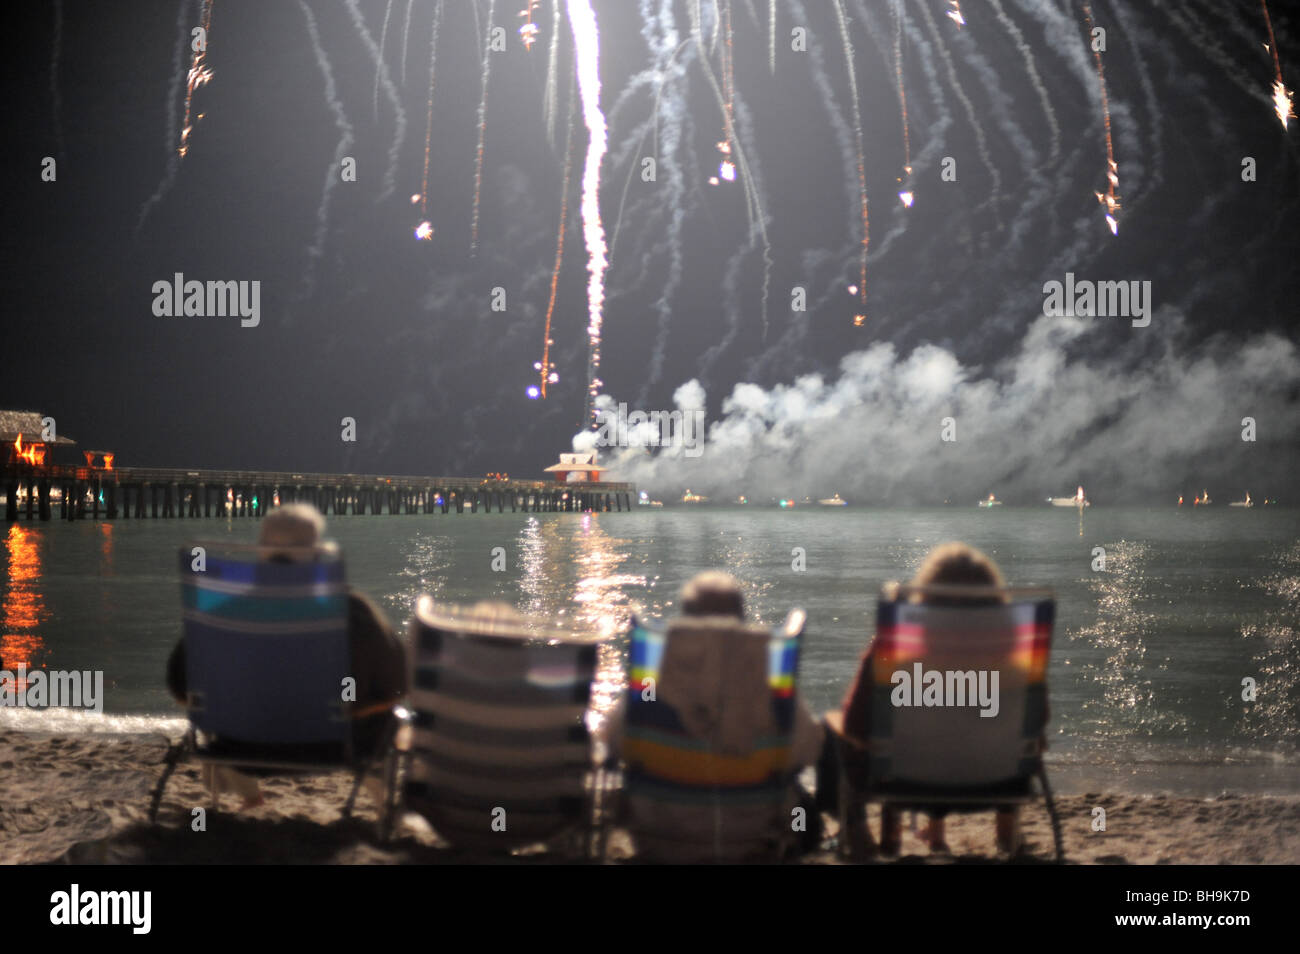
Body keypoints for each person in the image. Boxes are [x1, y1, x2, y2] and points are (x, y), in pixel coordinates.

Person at [166, 504, 405, 807]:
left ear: (260, 550)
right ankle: (384, 806)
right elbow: (397, 683)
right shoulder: (352, 611)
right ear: (318, 554)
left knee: (215, 709)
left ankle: (251, 797)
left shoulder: (222, 612)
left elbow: (179, 683)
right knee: (387, 716)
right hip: (337, 748)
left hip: (239, 749)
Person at [824, 542, 1024, 855]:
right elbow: (1034, 722)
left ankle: (875, 836)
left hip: (906, 783)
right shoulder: (1012, 654)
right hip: (996, 782)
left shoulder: (895, 647)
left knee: (834, 732)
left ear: (927, 592)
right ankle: (1007, 839)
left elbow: (855, 724)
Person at [606, 570, 825, 856]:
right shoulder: (770, 691)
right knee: (805, 813)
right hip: (749, 842)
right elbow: (809, 751)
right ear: (741, 620)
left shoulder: (650, 688)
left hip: (660, 841)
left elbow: (613, 743)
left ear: (684, 622)